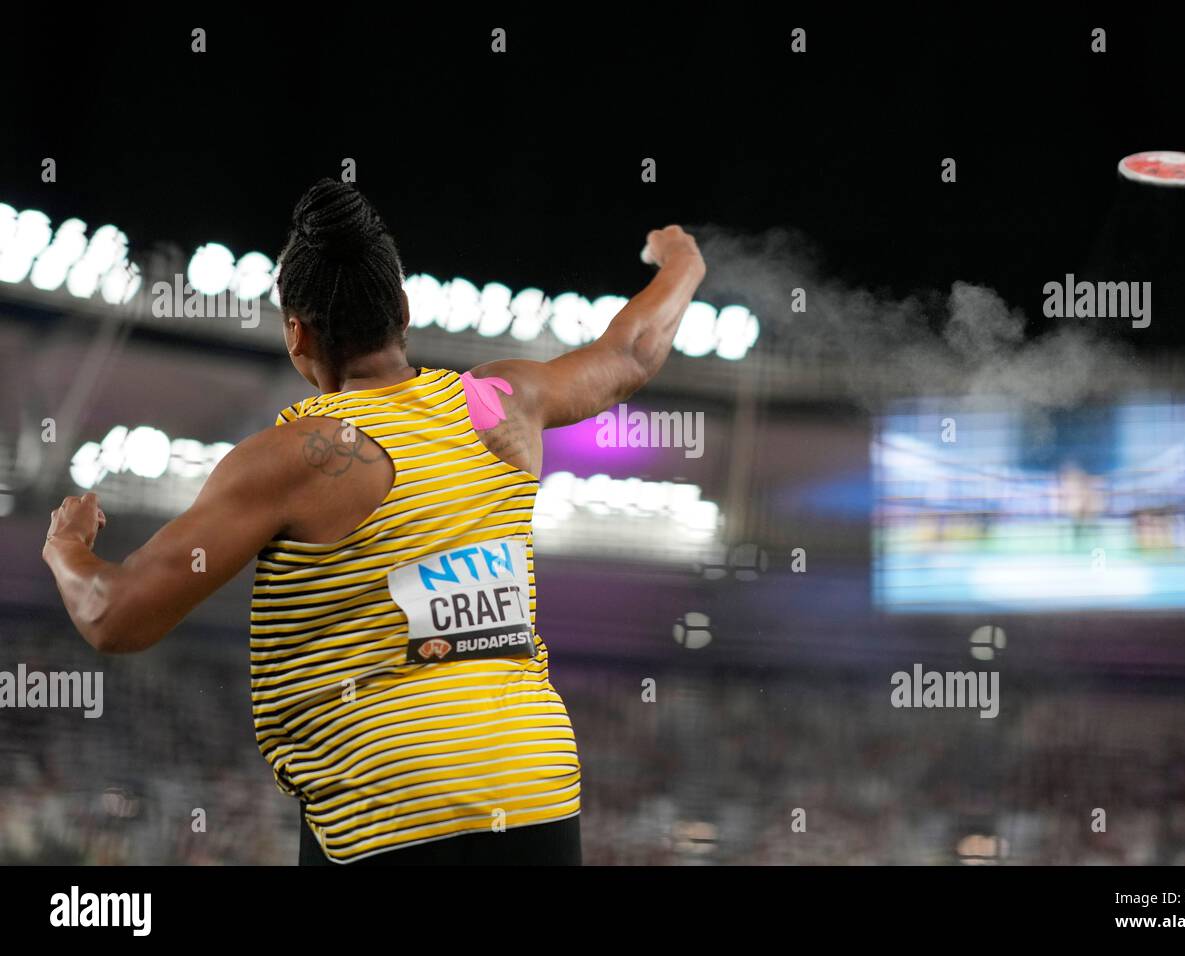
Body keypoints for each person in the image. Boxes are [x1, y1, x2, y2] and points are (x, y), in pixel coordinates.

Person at [42, 179, 706, 864]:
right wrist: (683, 261)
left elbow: (114, 614)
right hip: (537, 791)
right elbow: (630, 354)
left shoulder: (296, 456)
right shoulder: (503, 398)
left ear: (296, 333)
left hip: (388, 803)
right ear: (403, 310)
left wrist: (66, 544)